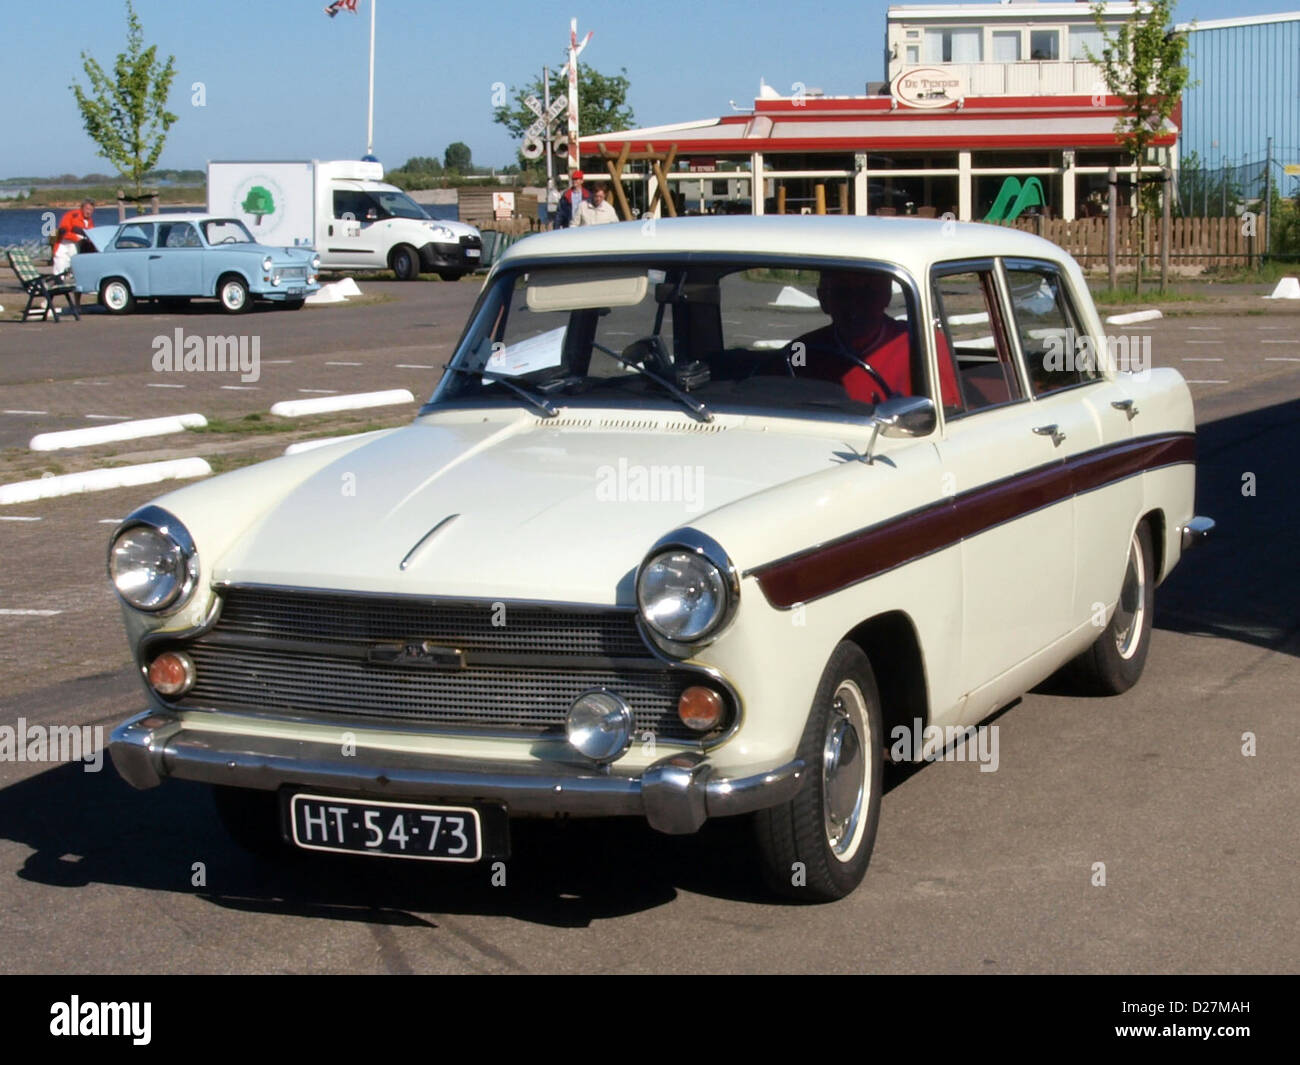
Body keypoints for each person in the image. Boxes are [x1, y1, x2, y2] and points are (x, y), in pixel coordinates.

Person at [790, 269, 959, 406]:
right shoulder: (803, 351)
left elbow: (945, 415)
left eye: (867, 293)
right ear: (824, 300)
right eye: (843, 293)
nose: (854, 304)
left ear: (885, 297)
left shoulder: (923, 345)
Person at [52, 199, 95, 277]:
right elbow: (63, 232)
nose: (88, 212)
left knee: (73, 270)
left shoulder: (90, 221)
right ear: (82, 208)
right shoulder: (71, 215)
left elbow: (91, 236)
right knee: (60, 267)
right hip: (63, 246)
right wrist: (76, 238)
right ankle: (57, 283)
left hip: (76, 249)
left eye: (91, 210)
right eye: (87, 209)